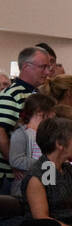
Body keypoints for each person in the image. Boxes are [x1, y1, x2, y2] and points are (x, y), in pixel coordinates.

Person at [0, 46, 55, 188]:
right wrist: (14, 163)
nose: (48, 72)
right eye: (43, 67)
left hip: (33, 171)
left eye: (49, 67)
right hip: (12, 174)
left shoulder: (36, 93)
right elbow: (1, 132)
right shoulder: (12, 94)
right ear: (26, 67)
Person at [6, 94, 57, 194]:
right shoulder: (22, 134)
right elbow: (16, 160)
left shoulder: (49, 133)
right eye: (51, 111)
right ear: (39, 112)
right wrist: (45, 163)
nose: (54, 114)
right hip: (26, 189)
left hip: (47, 186)